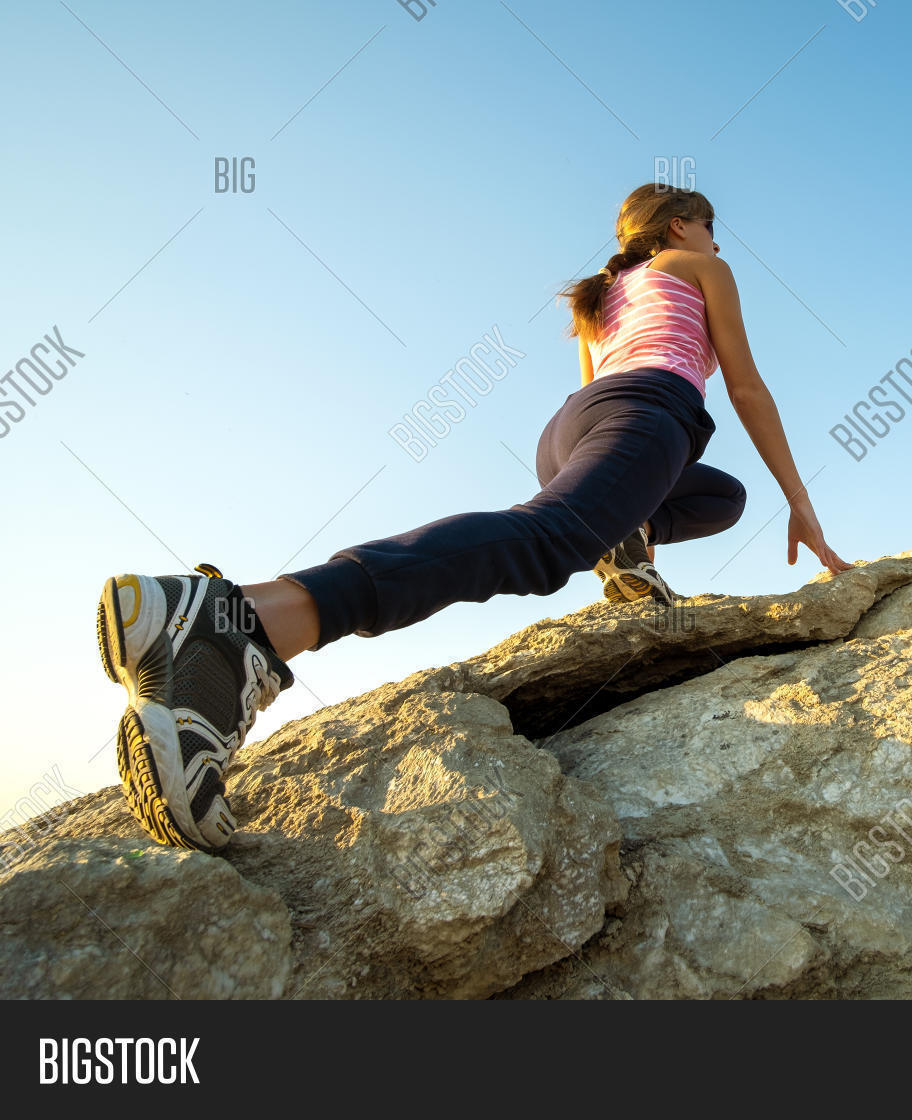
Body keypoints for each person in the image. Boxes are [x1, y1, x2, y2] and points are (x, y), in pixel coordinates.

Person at [95, 184, 853, 851]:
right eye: (712, 226)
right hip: (651, 412)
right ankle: (246, 622)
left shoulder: (603, 298)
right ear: (683, 225)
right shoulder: (701, 267)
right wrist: (804, 502)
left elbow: (591, 394)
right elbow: (747, 387)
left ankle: (626, 532)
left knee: (722, 497)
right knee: (546, 541)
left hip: (571, 429)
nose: (719, 242)